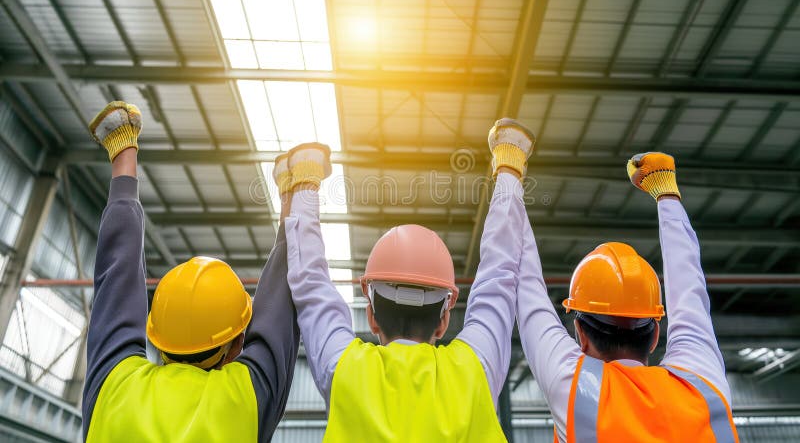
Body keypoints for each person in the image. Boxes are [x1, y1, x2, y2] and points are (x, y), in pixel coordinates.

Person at [278, 118, 536, 441]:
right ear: (443, 321)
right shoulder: (473, 369)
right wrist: (509, 162)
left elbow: (308, 282)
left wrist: (304, 180)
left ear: (371, 317)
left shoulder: (345, 369)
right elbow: (499, 275)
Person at [81, 101, 299, 442]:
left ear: (157, 336)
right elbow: (280, 312)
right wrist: (293, 199)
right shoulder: (244, 399)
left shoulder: (114, 385)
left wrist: (123, 148)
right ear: (237, 344)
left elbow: (116, 279)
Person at [516, 151, 739, 442]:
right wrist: (665, 191)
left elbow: (525, 283)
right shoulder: (703, 384)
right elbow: (689, 287)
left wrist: (510, 172)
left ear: (581, 335)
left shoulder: (576, 391)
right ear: (655, 334)